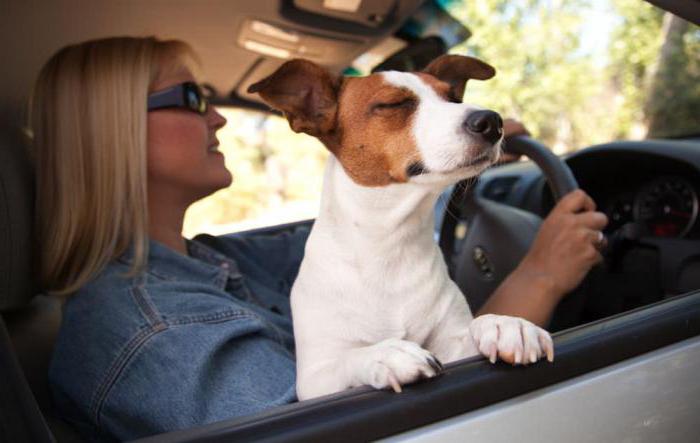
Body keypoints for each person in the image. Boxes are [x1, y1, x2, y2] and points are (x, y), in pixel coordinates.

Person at [31, 37, 607, 441]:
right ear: (111, 134)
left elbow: (379, 229)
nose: (220, 119)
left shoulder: (215, 259)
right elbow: (369, 430)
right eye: (192, 99)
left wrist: (457, 147)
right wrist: (538, 279)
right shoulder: (153, 328)